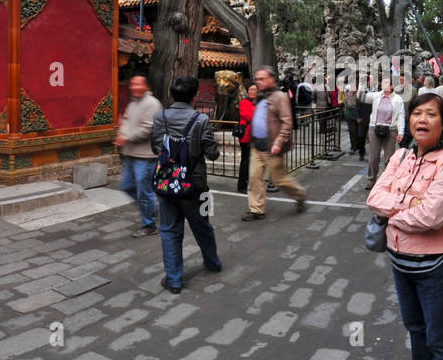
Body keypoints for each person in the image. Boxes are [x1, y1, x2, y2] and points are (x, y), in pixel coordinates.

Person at [370, 89, 443, 360]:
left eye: (430, 114)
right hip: (400, 258)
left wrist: (393, 213)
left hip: (437, 263)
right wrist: (407, 205)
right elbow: (375, 196)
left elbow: (431, 217)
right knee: (415, 324)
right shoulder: (401, 156)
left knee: (441, 331)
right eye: (417, 113)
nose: (422, 120)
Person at [149, 74, 223, 293]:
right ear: (195, 96)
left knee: (170, 230)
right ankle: (212, 262)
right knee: (203, 225)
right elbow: (213, 154)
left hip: (166, 184)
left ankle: (174, 279)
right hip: (197, 185)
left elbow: (156, 148)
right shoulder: (201, 120)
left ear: (172, 93)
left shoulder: (159, 116)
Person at [241, 67, 304, 219]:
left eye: (262, 79)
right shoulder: (261, 96)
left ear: (271, 79)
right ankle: (256, 209)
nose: (258, 82)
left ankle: (300, 194)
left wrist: (278, 142)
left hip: (272, 146)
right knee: (254, 178)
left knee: (279, 179)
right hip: (257, 145)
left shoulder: (280, 97)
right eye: (256, 79)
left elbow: (287, 123)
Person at [113, 73, 160, 236]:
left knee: (144, 191)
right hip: (130, 154)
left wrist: (126, 137)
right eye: (132, 84)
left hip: (145, 156)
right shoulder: (133, 104)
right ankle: (152, 209)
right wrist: (122, 133)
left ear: (146, 86)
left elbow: (148, 128)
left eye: (138, 84)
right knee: (127, 186)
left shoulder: (153, 104)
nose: (134, 87)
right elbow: (125, 122)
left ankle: (149, 225)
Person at [365, 80, 404, 183]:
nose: (383, 85)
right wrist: (361, 83)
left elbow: (400, 115)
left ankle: (387, 180)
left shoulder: (397, 99)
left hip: (391, 130)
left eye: (386, 83)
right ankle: (371, 179)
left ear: (391, 86)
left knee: (389, 158)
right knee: (373, 157)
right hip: (375, 128)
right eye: (382, 83)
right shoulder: (376, 96)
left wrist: (401, 132)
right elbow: (362, 98)